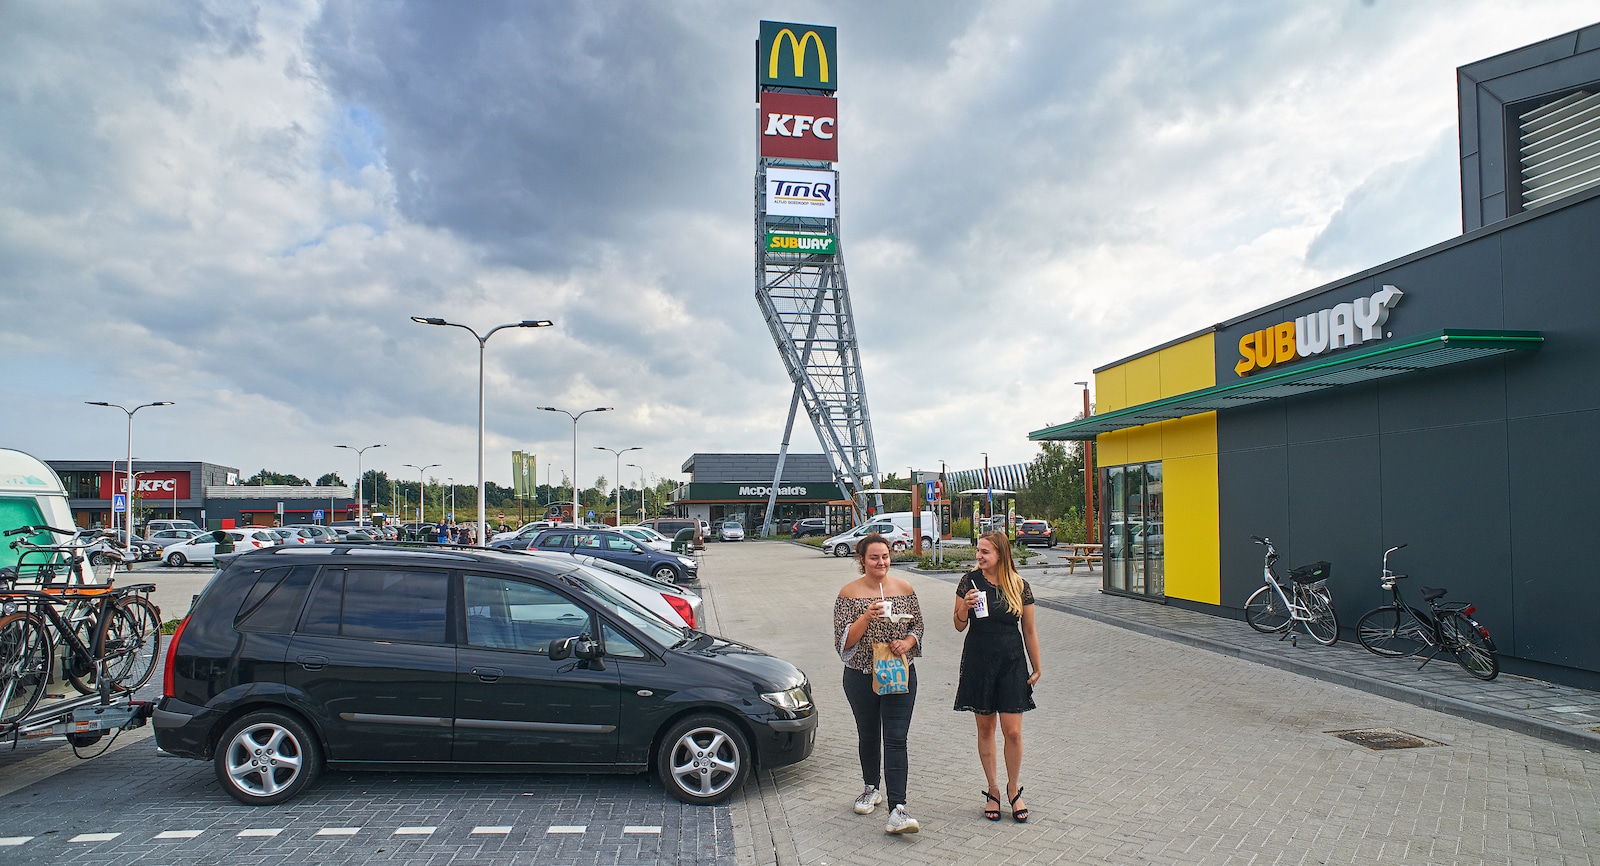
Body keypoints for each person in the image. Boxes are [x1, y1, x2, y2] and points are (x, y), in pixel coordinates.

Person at [832, 534, 924, 834]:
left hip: (899, 673)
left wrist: (907, 642)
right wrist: (865, 617)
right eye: (874, 557)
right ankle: (871, 787)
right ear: (862, 560)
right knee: (869, 733)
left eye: (885, 556)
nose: (881, 562)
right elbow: (843, 642)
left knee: (897, 738)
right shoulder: (849, 594)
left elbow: (917, 626)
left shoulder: (904, 588)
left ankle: (898, 807)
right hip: (861, 675)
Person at [953, 530, 1042, 823]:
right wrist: (964, 608)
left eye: (985, 552)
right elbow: (957, 625)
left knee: (1013, 731)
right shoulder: (969, 581)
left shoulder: (1019, 584)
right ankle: (993, 789)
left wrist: (1037, 665)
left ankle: (1013, 788)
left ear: (1001, 555)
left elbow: (1029, 629)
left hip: (1012, 661)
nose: (979, 556)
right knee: (986, 728)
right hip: (979, 659)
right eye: (978, 551)